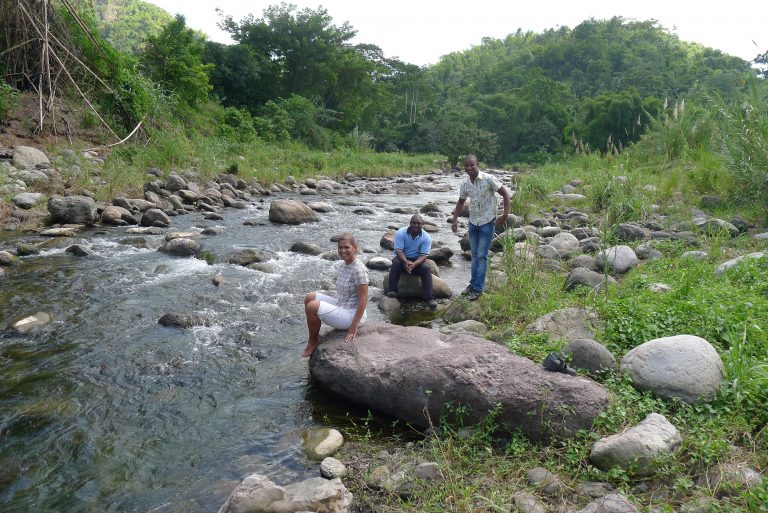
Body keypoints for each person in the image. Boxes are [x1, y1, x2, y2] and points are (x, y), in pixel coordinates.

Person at [450, 154, 510, 301]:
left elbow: (506, 195)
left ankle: (477, 289)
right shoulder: (465, 184)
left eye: (472, 165)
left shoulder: (489, 179)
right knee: (474, 255)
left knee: (482, 256)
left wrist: (505, 214)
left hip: (488, 222)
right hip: (473, 222)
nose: (469, 168)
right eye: (466, 166)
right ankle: (472, 284)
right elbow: (460, 202)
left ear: (478, 164)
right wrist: (455, 219)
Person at [302, 233, 369, 357]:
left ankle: (313, 341)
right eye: (340, 248)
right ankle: (315, 335)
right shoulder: (345, 264)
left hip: (352, 314)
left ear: (355, 247)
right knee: (309, 297)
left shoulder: (359, 270)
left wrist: (354, 326)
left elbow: (363, 300)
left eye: (346, 247)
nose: (343, 251)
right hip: (342, 305)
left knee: (312, 307)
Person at [387, 214, 437, 309]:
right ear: (410, 223)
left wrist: (414, 264)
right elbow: (398, 250)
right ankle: (392, 290)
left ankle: (429, 298)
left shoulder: (426, 237)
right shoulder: (401, 233)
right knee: (396, 263)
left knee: (426, 268)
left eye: (419, 223)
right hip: (401, 258)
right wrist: (405, 262)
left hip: (417, 260)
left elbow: (424, 255)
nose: (416, 225)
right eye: (414, 223)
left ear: (422, 225)